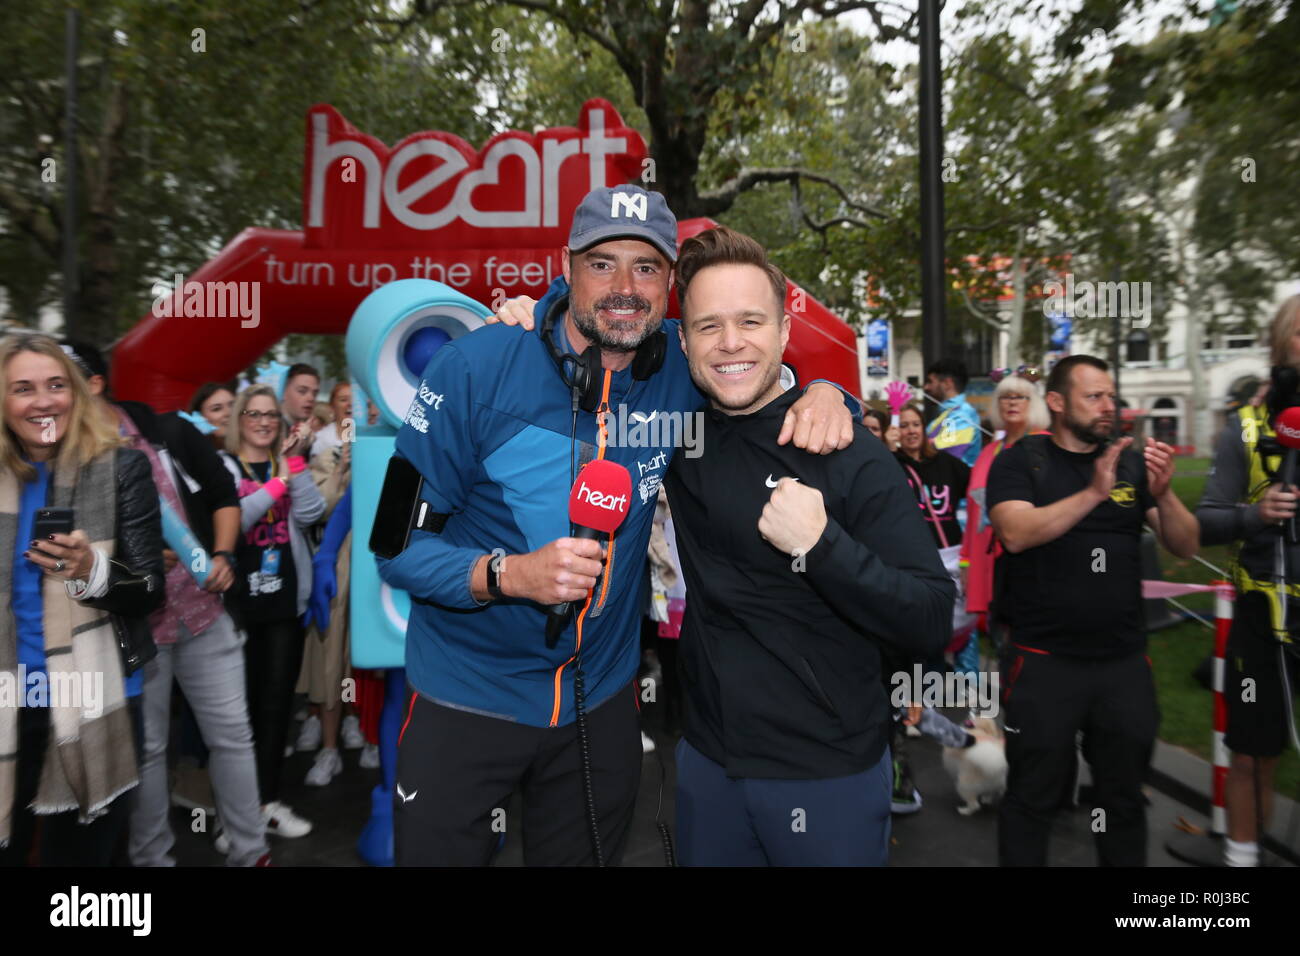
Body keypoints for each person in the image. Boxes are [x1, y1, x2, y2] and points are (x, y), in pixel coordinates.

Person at [376, 183, 858, 866]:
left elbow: (758, 373)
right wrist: (507, 575)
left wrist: (829, 393)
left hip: (596, 702)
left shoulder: (681, 370)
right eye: (603, 264)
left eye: (647, 266)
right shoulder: (472, 367)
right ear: (566, 263)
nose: (625, 287)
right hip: (466, 696)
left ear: (669, 283)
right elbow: (392, 545)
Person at [662, 226, 952, 865]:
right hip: (708, 766)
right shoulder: (676, 435)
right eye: (708, 326)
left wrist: (822, 546)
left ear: (785, 332)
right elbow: (602, 320)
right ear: (682, 342)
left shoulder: (849, 453)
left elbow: (931, 618)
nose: (731, 342)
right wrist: (529, 312)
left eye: (750, 321)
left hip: (828, 776)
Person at [58, 342, 270, 867]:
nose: (51, 397)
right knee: (147, 749)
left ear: (95, 384)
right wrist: (138, 560)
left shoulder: (168, 430)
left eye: (61, 382)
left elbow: (224, 494)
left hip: (203, 611)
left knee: (233, 737)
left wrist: (221, 555)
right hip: (132, 629)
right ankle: (152, 859)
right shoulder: (61, 455)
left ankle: (252, 851)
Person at [987, 354, 1199, 866]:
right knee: (1031, 800)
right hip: (1043, 663)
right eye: (1095, 397)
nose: (1110, 407)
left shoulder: (1128, 461)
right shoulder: (1022, 461)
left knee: (1122, 802)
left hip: (1123, 665)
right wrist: (1093, 493)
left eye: (1111, 396)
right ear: (1057, 403)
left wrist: (1165, 496)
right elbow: (1015, 533)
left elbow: (1185, 545)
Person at [0, 334, 164, 866]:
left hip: (99, 692)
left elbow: (148, 591)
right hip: (11, 692)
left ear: (76, 392)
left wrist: (92, 570)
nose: (43, 401)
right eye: (23, 389)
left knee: (81, 863)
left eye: (55, 385)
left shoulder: (121, 468)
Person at [1196, 294, 1300, 867]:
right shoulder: (1245, 428)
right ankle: (1241, 865)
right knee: (1252, 753)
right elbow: (1206, 519)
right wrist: (1255, 516)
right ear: (1280, 344)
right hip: (1265, 611)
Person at [221, 384, 326, 839]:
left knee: (275, 709)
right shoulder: (224, 467)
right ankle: (233, 817)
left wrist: (294, 466)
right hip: (236, 609)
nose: (263, 422)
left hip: (284, 604)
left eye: (270, 415)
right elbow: (238, 519)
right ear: (239, 420)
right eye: (253, 413)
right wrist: (279, 480)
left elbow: (311, 513)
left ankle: (267, 803)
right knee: (235, 717)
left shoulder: (288, 465)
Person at [960, 375, 1050, 657]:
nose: (1012, 403)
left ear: (1033, 403)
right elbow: (974, 514)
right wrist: (966, 562)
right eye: (1005, 397)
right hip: (990, 563)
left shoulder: (1046, 448)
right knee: (1004, 649)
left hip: (1031, 562)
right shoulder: (989, 453)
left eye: (1020, 396)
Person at [924, 357, 982, 467]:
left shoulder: (962, 414)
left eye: (930, 382)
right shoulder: (949, 414)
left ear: (947, 383)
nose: (926, 387)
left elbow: (940, 450)